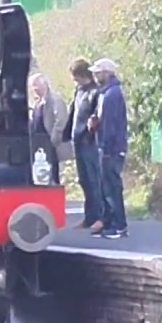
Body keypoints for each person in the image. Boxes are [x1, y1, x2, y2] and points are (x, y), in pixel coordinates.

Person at [87, 59, 128, 239]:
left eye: (98, 72)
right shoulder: (105, 93)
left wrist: (106, 147)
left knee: (112, 188)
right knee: (106, 187)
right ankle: (110, 222)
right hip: (105, 146)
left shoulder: (112, 94)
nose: (95, 76)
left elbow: (111, 124)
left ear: (107, 73)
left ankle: (119, 225)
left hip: (110, 148)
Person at [61, 58, 103, 232]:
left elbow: (96, 116)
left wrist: (89, 134)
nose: (73, 80)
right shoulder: (79, 91)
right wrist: (66, 133)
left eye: (75, 76)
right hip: (77, 140)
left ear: (81, 74)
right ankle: (89, 216)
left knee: (94, 180)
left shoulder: (95, 92)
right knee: (84, 180)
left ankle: (99, 216)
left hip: (89, 141)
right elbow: (74, 113)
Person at [29, 72, 68, 183]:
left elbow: (61, 120)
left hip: (50, 143)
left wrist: (54, 138)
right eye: (33, 87)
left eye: (36, 86)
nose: (35, 89)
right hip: (39, 144)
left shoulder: (55, 100)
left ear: (44, 84)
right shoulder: (38, 103)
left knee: (52, 170)